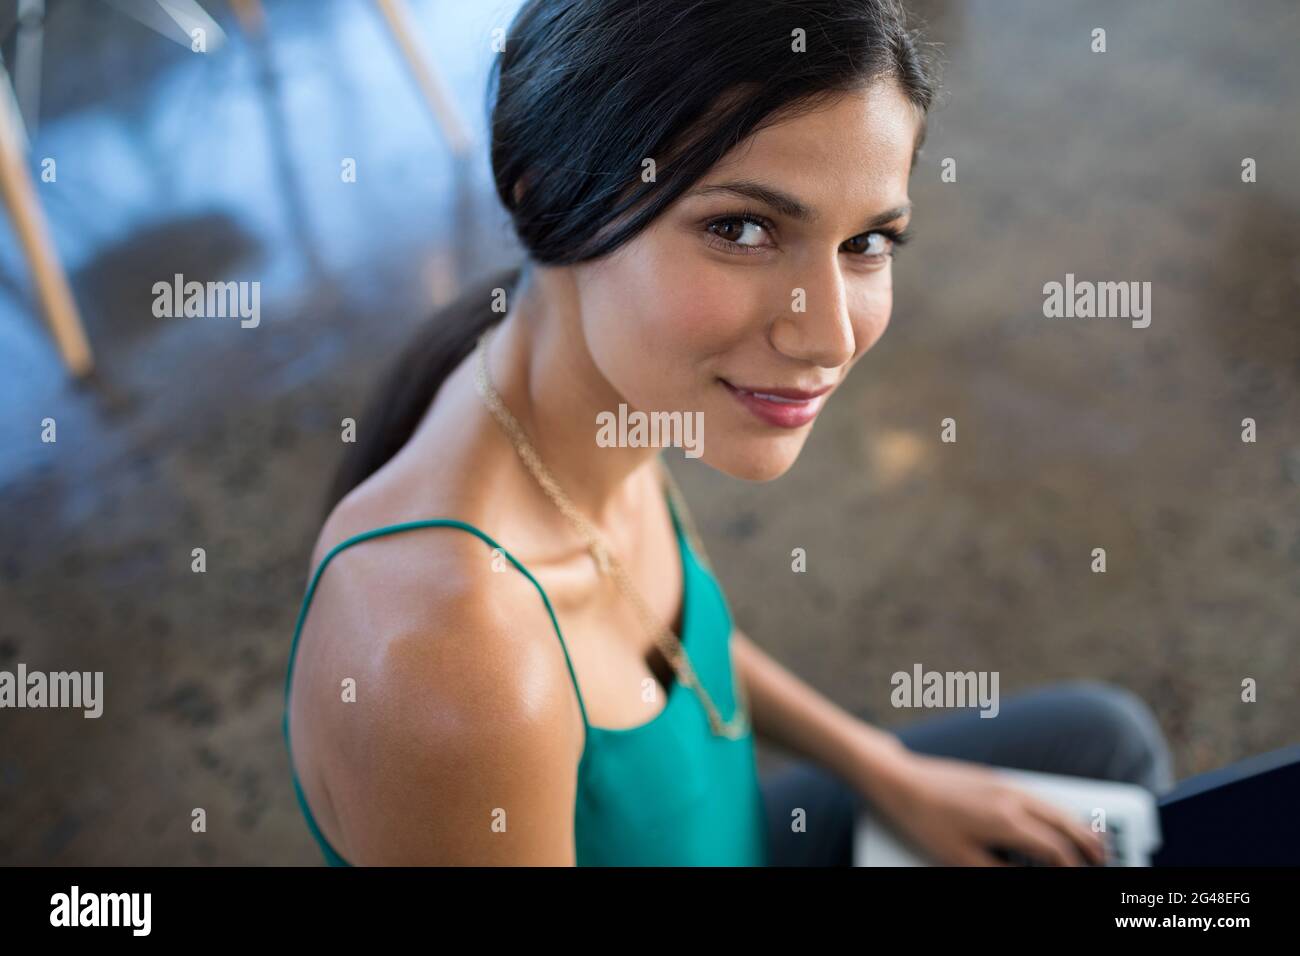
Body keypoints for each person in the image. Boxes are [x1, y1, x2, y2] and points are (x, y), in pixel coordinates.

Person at [282, 0, 1175, 866]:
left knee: (1102, 747)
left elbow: (667, 641)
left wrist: (885, 772)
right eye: (742, 228)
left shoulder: (585, 401)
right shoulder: (457, 677)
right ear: (551, 193)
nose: (827, 336)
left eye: (868, 242)